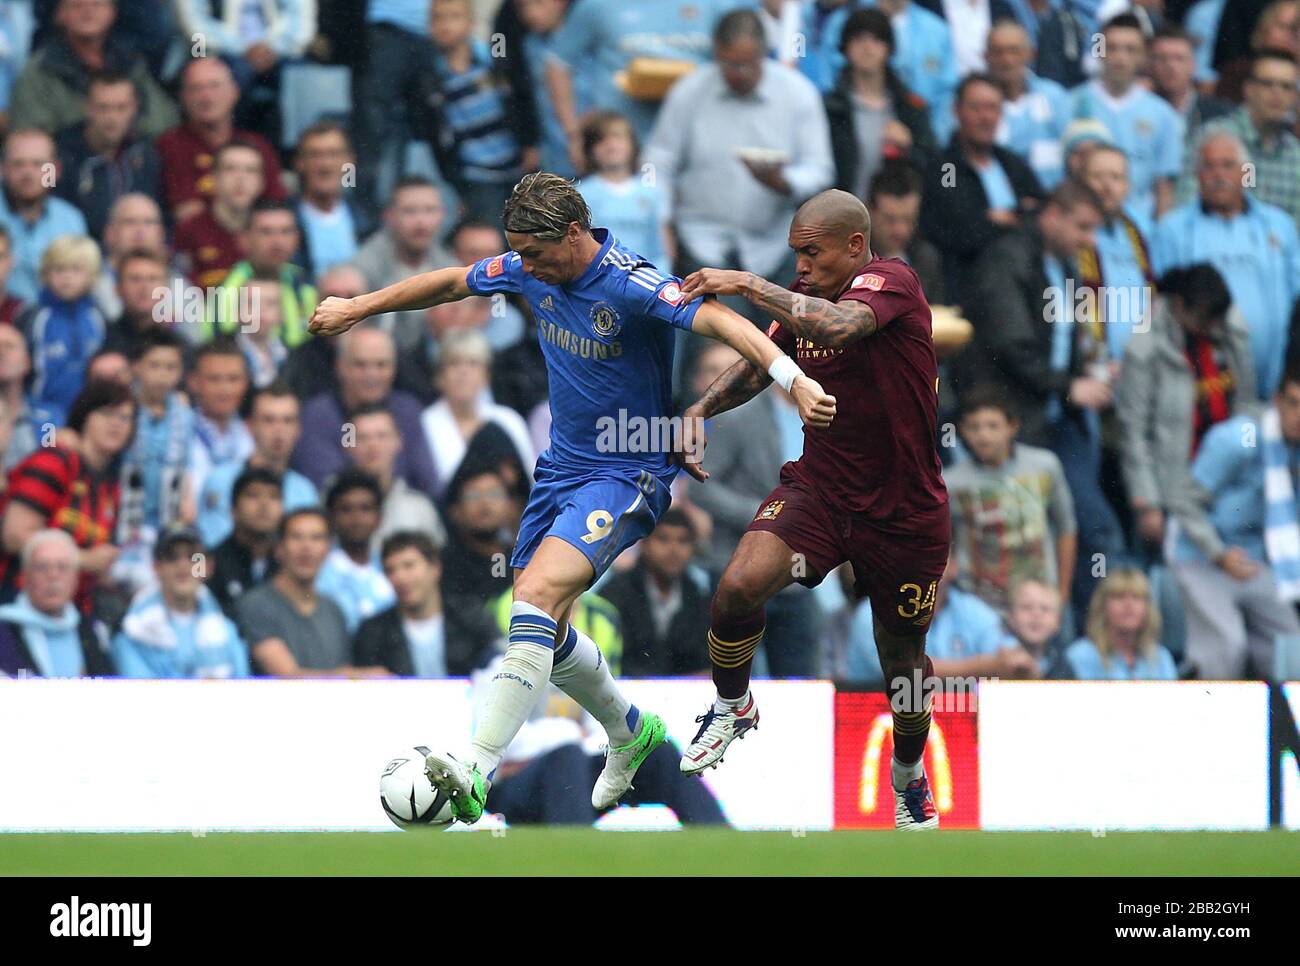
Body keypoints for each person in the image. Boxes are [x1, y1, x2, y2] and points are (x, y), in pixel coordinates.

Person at [308, 171, 835, 823]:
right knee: (542, 626)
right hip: (561, 469)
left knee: (532, 597)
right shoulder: (534, 265)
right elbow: (449, 281)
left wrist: (794, 379)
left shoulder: (629, 280)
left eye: (533, 254)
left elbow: (723, 320)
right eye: (518, 254)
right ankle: (630, 731)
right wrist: (359, 307)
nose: (522, 268)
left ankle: (474, 766)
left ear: (575, 233)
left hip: (629, 469)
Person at [675, 187, 946, 827]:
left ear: (855, 246)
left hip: (905, 515)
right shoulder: (803, 303)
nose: (800, 266)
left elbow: (835, 327)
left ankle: (907, 771)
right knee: (739, 585)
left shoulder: (892, 282)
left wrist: (745, 282)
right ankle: (732, 704)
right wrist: (698, 411)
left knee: (901, 663)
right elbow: (759, 367)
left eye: (810, 253)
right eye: (794, 254)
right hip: (820, 493)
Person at [644, 9, 835, 330]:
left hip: (775, 247)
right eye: (729, 64)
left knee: (786, 347)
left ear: (764, 53)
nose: (738, 73)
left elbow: (821, 170)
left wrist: (783, 181)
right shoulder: (690, 91)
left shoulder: (798, 93)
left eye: (746, 64)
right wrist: (660, 219)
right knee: (717, 352)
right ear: (716, 53)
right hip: (702, 243)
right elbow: (656, 163)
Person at [1164, 371, 1300, 679]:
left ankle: (1288, 725)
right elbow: (1183, 501)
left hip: (1255, 562)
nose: (1299, 416)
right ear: (1277, 402)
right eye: (1294, 404)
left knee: (1293, 647)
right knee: (1227, 645)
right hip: (1200, 556)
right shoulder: (1240, 439)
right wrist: (1218, 554)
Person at [1117, 264, 1257, 559]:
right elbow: (1134, 432)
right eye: (1206, 320)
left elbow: (1246, 402)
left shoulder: (1230, 328)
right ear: (1179, 306)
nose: (1213, 328)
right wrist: (1147, 503)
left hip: (1225, 481)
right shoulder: (1144, 347)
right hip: (1172, 486)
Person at [1153, 131, 1300, 399]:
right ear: (1197, 176)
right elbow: (1162, 305)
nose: (1218, 175)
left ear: (1246, 173)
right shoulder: (1172, 229)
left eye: (1227, 165)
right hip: (1201, 379)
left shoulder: (1280, 226)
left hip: (1275, 379)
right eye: (1209, 167)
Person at [0, 379, 134, 613]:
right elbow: (14, 535)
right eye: (107, 413)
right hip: (18, 602)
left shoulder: (109, 485)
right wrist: (84, 560)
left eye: (126, 418)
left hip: (73, 609)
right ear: (85, 416)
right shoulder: (55, 462)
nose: (117, 424)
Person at [946, 385, 1077, 616]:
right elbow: (948, 543)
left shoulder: (1045, 466)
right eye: (974, 427)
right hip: (981, 607)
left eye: (993, 426)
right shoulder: (951, 483)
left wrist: (1063, 593)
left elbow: (1066, 527)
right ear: (962, 431)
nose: (983, 435)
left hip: (1040, 600)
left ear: (1012, 427)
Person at [920, 74, 1045, 307]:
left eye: (993, 109)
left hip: (1025, 276)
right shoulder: (946, 167)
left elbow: (1042, 211)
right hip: (971, 283)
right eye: (976, 108)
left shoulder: (1011, 163)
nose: (985, 117)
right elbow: (954, 227)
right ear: (956, 111)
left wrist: (999, 218)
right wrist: (1013, 217)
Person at [235, 507, 388, 678]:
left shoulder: (333, 609)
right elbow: (287, 676)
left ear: (328, 550)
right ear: (279, 548)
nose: (306, 547)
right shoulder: (257, 603)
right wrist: (356, 676)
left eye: (316, 538)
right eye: (296, 537)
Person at [846, 550, 1036, 686]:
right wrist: (988, 666)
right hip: (878, 724)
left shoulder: (972, 610)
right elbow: (907, 672)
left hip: (958, 726)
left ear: (953, 566)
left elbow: (1013, 660)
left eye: (934, 551)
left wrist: (1019, 665)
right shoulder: (871, 612)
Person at [292, 326, 439, 494]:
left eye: (381, 365)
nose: (371, 374)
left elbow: (427, 481)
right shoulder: (318, 415)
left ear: (394, 368)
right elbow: (326, 481)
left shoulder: (407, 411)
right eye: (360, 365)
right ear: (340, 367)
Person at [1068, 14, 1183, 221]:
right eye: (1112, 47)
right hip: (1084, 225)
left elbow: (1163, 188)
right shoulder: (1071, 103)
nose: (1120, 57)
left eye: (1130, 49)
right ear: (1099, 50)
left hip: (1139, 228)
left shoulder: (1162, 114)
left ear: (1143, 56)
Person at [7, 0, 177, 139]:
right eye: (77, 5)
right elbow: (29, 138)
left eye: (97, 4)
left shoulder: (131, 63)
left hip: (128, 168)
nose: (88, 12)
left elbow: (163, 121)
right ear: (59, 15)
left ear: (113, 12)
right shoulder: (40, 70)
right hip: (65, 172)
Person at [423, 0, 522, 223]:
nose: (446, 25)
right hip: (476, 176)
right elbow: (436, 137)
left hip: (518, 167)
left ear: (470, 23)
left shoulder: (495, 60)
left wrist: (528, 144)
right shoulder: (429, 78)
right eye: (438, 18)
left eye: (454, 16)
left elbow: (522, 102)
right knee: (490, 245)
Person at [156, 56, 286, 225]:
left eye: (215, 86)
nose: (206, 96)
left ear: (234, 92)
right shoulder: (169, 146)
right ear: (183, 97)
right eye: (196, 88)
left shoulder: (258, 146)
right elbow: (186, 214)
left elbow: (277, 207)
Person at [823, 8, 936, 200]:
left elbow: (936, 168)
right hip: (844, 218)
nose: (867, 47)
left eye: (877, 39)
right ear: (845, 48)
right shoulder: (829, 108)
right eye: (858, 39)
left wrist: (910, 148)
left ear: (889, 49)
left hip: (898, 221)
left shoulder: (912, 107)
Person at [353, 531, 500, 677]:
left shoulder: (471, 616)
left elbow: (499, 661)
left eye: (408, 566)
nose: (400, 577)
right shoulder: (373, 632)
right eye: (390, 570)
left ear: (435, 568)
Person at [110, 524, 248, 679]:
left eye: (193, 557)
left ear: (208, 567)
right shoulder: (131, 630)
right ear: (156, 567)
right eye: (172, 557)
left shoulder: (228, 631)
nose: (183, 565)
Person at [1184, 48, 1300, 228]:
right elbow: (1186, 204)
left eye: (1286, 86)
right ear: (1249, 89)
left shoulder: (1295, 154)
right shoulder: (1212, 137)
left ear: (1294, 96)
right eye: (1268, 84)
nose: (1277, 93)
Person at [196, 381, 315, 548]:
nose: (279, 430)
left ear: (299, 429)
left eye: (288, 421)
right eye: (269, 420)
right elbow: (213, 544)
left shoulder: (305, 491)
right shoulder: (221, 480)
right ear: (250, 426)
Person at [420, 328, 534, 498]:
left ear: (486, 376)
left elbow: (530, 479)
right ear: (439, 375)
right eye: (454, 363)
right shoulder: (424, 423)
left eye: (473, 363)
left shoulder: (509, 420)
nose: (463, 372)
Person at [52, 69, 164, 241]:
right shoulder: (59, 156)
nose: (112, 117)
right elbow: (54, 214)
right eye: (103, 108)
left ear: (134, 108)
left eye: (121, 108)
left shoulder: (148, 153)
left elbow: (165, 213)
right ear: (87, 108)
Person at [600, 509, 711, 676]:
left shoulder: (699, 598)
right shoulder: (615, 592)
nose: (673, 550)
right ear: (644, 544)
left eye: (682, 541)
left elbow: (705, 664)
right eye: (663, 539)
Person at [348, 176, 454, 351]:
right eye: (409, 211)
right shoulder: (364, 268)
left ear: (442, 214)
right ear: (389, 216)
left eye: (429, 210)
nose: (421, 222)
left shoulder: (449, 265)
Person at [14, 234, 106, 420]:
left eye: (76, 269)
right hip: (40, 414)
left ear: (92, 275)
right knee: (49, 447)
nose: (67, 277)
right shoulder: (32, 317)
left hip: (86, 415)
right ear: (45, 273)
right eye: (59, 269)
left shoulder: (97, 317)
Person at [203, 199, 317, 349]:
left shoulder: (307, 285)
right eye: (266, 232)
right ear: (244, 239)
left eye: (286, 231)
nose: (277, 241)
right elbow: (222, 350)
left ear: (297, 239)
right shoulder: (226, 291)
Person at [1076, 143, 1154, 360]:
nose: (1107, 186)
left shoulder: (1143, 233)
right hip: (1093, 369)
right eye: (1098, 176)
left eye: (1116, 177)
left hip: (1142, 370)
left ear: (1127, 186)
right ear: (1081, 183)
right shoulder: (1072, 235)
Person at [0, 528, 113, 677]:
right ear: (25, 576)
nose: (53, 576)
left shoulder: (94, 630)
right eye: (42, 567)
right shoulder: (4, 630)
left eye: (63, 567)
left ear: (75, 578)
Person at [0, 128, 89, 302]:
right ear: (3, 168)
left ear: (56, 170)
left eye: (38, 164)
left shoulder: (71, 220)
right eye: (18, 164)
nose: (28, 173)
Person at [576, 112, 670, 272]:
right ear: (590, 149)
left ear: (632, 144)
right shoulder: (580, 194)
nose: (611, 145)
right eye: (602, 140)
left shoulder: (652, 193)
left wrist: (663, 279)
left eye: (618, 137)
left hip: (648, 281)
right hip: (600, 282)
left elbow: (662, 246)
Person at [348, 403, 446, 552]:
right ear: (348, 445)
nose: (373, 445)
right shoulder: (332, 505)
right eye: (363, 438)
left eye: (382, 436)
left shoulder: (420, 508)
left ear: (398, 441)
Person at [987, 18, 1072, 190]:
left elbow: (1076, 153)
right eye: (998, 52)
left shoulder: (1055, 97)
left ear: (1030, 54)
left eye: (1014, 51)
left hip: (1052, 203)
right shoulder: (976, 103)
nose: (1007, 60)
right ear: (986, 56)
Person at [172, 139, 265, 289]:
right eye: (230, 169)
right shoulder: (189, 229)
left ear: (262, 182)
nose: (240, 178)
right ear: (213, 178)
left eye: (250, 170)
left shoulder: (272, 231)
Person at [313, 468, 395, 634]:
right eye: (346, 509)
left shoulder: (391, 566)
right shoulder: (318, 570)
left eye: (365, 508)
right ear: (331, 517)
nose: (357, 518)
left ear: (379, 517)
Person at [291, 120, 374, 279]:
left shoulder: (369, 219)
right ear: (299, 163)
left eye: (334, 154)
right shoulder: (282, 220)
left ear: (350, 161)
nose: (325, 164)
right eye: (315, 155)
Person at [1064, 567, 1177, 680]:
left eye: (1137, 597)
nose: (1129, 604)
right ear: (1102, 606)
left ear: (1147, 609)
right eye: (1119, 596)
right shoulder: (1081, 656)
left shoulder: (1161, 658)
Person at [209, 465, 282, 616]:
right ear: (233, 510)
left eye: (273, 496)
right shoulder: (210, 563)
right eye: (253, 495)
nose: (264, 504)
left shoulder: (288, 564)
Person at [186, 337, 252, 501]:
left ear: (245, 383)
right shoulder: (179, 431)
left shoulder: (252, 435)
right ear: (194, 382)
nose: (225, 389)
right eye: (214, 379)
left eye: (233, 379)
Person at [0, 322, 60, 474]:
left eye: (9, 346)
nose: (1, 352)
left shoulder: (49, 418)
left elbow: (50, 463)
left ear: (26, 362)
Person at [1003, 577, 1070, 678]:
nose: (1036, 614)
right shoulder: (999, 653)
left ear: (1058, 622)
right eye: (1027, 607)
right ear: (1011, 617)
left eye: (1045, 609)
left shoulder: (1063, 664)